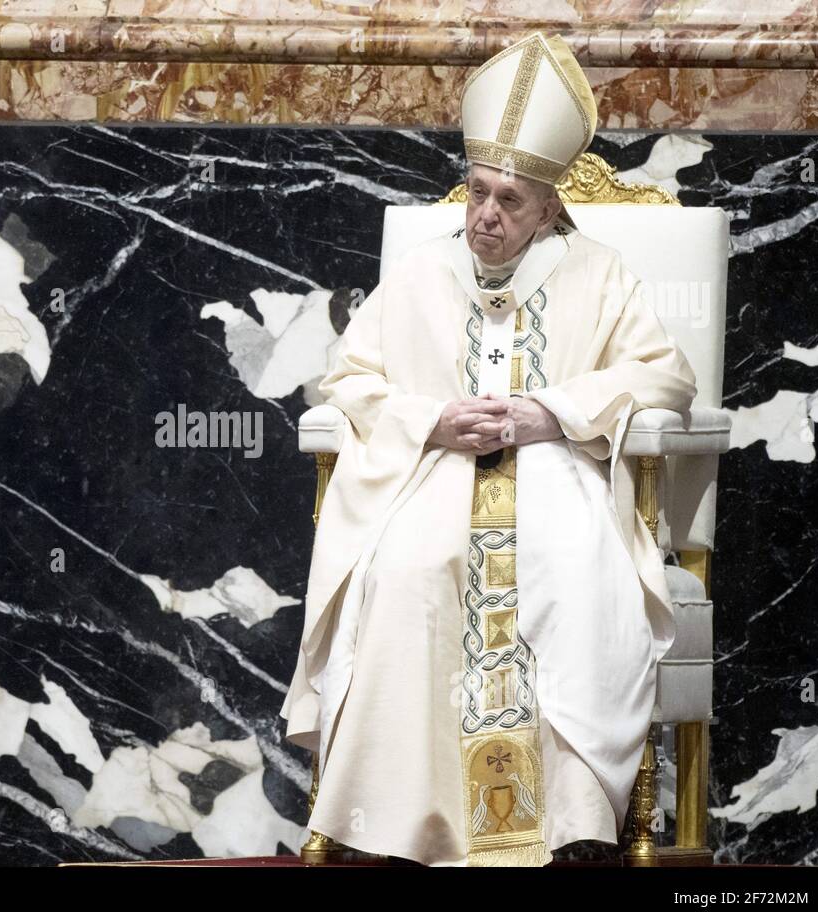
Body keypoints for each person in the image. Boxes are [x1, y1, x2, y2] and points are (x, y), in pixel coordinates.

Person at [279, 30, 699, 866]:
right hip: (430, 480)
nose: (486, 217)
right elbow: (349, 379)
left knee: (576, 571)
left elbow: (667, 379)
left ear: (550, 205)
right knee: (407, 570)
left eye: (510, 201)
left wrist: (553, 411)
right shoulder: (422, 274)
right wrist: (429, 420)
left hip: (560, 480)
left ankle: (573, 827)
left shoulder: (600, 272)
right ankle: (401, 828)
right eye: (476, 194)